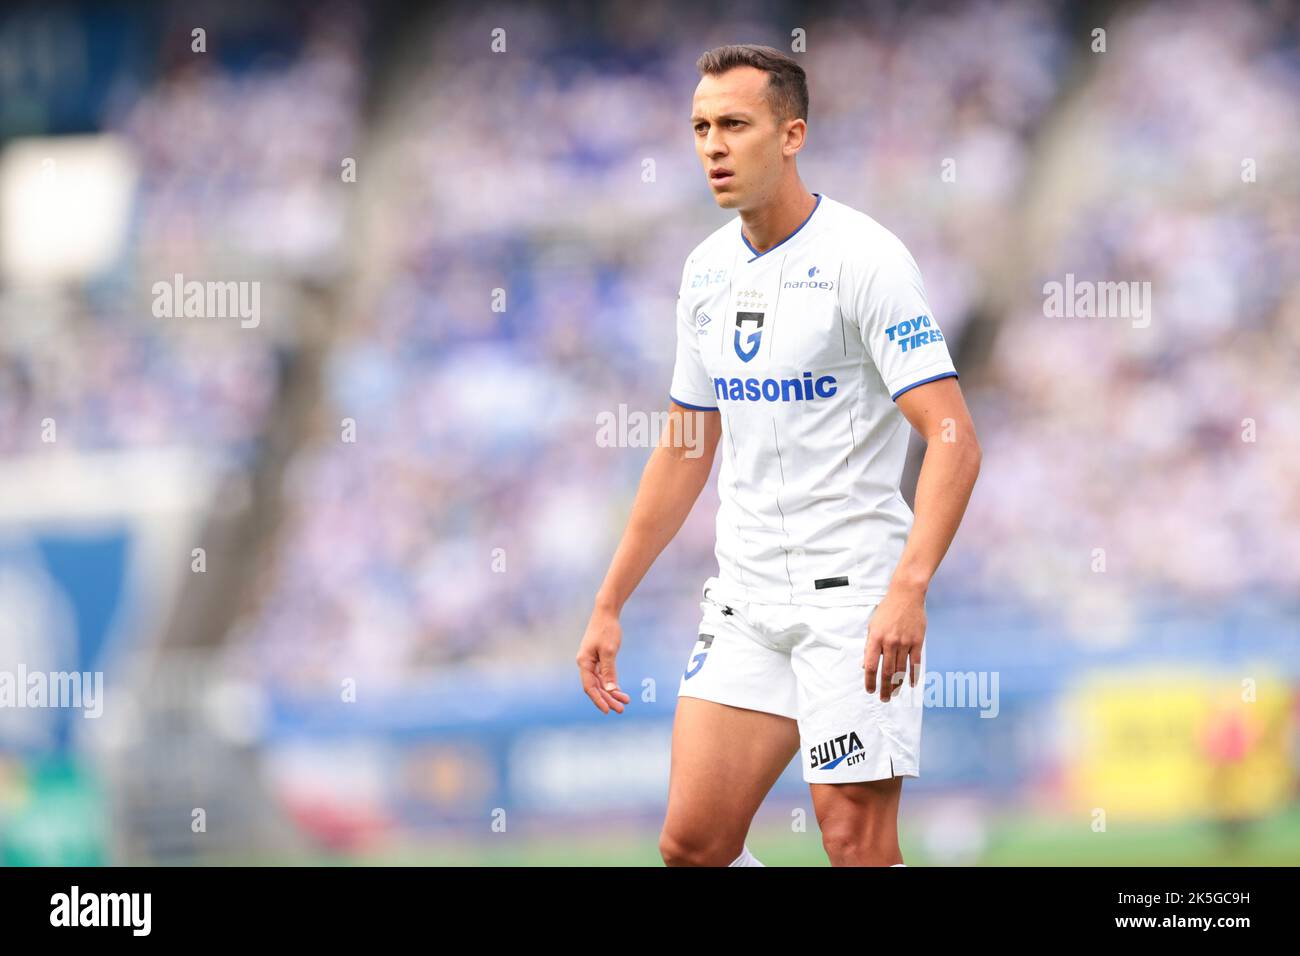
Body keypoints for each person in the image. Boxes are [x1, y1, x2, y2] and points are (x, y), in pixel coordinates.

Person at [576, 43, 981, 866]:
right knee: (693, 847)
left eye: (734, 124)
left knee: (854, 844)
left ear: (792, 135)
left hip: (854, 602)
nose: (712, 147)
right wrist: (611, 598)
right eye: (699, 128)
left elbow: (952, 436)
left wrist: (909, 587)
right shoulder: (705, 272)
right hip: (746, 601)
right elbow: (688, 443)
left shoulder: (864, 260)